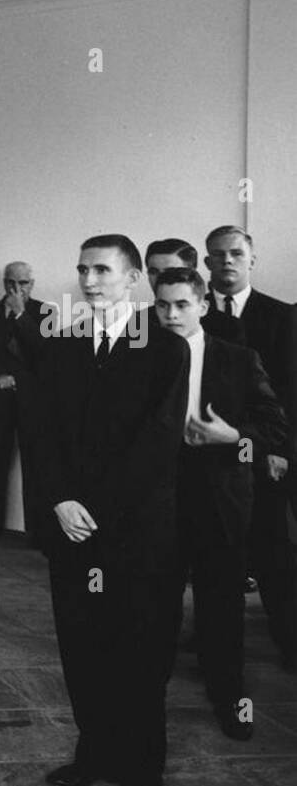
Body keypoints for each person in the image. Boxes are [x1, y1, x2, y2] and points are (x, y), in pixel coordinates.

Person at [35, 234, 188, 786]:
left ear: (133, 280)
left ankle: (142, 779)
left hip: (136, 534)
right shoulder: (61, 348)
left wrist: (91, 505)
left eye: (102, 270)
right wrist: (60, 500)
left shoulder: (166, 350)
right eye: (82, 269)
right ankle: (94, 753)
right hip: (71, 530)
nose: (89, 280)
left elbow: (156, 446)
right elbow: (41, 432)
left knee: (140, 656)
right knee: (82, 646)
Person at [153, 267, 287, 738]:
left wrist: (234, 437)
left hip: (219, 496)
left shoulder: (239, 358)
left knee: (222, 603)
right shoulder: (136, 359)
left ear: (203, 305)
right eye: (163, 305)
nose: (171, 315)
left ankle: (229, 696)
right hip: (157, 498)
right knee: (156, 601)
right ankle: (145, 698)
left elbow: (275, 426)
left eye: (182, 304)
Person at [199, 225, 297, 671]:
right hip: (207, 460)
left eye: (236, 253)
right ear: (206, 263)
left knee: (274, 557)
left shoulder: (281, 316)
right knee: (216, 563)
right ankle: (215, 655)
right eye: (217, 255)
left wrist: (281, 451)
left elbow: (292, 391)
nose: (227, 262)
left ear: (252, 259)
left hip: (264, 455)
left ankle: (289, 643)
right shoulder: (192, 314)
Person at [0, 261, 48, 539]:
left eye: (23, 283)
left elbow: (44, 353)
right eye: (11, 283)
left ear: (32, 284)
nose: (17, 288)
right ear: (3, 283)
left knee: (35, 465)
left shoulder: (45, 312)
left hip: (32, 402)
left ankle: (36, 531)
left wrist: (20, 315)